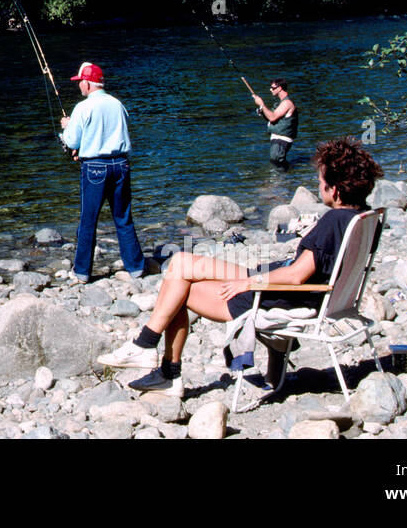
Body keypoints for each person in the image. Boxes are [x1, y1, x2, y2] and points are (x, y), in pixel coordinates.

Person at [96, 137, 383, 396]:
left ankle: (159, 362)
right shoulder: (362, 218)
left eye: (320, 181)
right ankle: (147, 350)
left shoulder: (333, 221)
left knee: (178, 289)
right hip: (285, 284)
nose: (318, 186)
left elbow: (297, 275)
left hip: (276, 293)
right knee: (182, 262)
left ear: (335, 188)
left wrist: (249, 284)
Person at [58, 62, 145, 283]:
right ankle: (136, 268)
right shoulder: (117, 104)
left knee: (89, 220)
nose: (79, 87)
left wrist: (66, 126)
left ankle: (82, 272)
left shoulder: (83, 107)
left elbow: (71, 141)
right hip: (121, 166)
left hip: (94, 168)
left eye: (80, 83)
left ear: (87, 83)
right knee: (123, 218)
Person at [252, 78, 298, 166]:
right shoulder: (280, 103)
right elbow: (271, 118)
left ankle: (285, 178)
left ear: (279, 88)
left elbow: (272, 118)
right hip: (277, 140)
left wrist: (262, 104)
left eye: (272, 88)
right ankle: (289, 177)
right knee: (276, 162)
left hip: (281, 140)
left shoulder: (287, 103)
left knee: (277, 162)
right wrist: (262, 111)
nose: (270, 90)